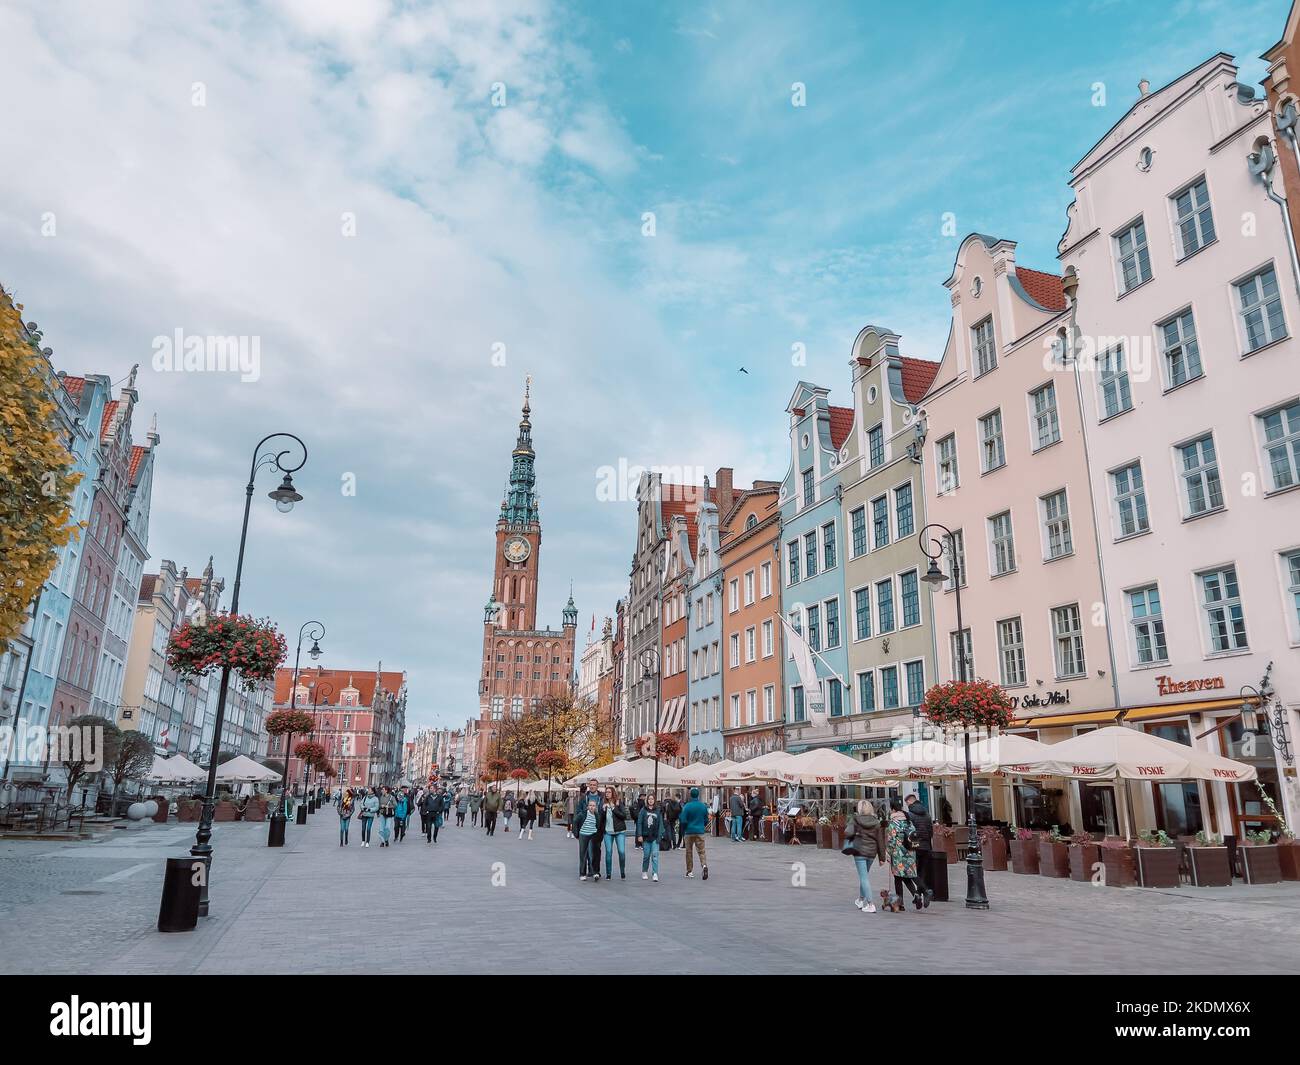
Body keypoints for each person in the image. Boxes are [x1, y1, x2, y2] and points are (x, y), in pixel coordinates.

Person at [844, 799, 887, 912]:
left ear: (859, 809)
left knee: (864, 878)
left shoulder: (855, 820)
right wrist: (882, 857)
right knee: (865, 876)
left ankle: (870, 904)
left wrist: (855, 831)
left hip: (859, 851)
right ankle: (860, 899)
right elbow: (880, 841)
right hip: (871, 853)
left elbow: (847, 832)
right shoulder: (876, 822)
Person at [885, 797, 924, 911]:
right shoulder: (908, 819)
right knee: (908, 876)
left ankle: (900, 904)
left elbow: (891, 840)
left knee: (898, 878)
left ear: (892, 809)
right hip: (911, 852)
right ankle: (916, 894)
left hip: (898, 853)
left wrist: (889, 853)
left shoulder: (893, 822)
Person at [904, 793, 935, 906]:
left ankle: (926, 891)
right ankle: (918, 895)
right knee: (921, 872)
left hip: (915, 847)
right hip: (926, 846)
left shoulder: (910, 814)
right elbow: (931, 831)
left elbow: (909, 833)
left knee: (911, 872)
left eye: (906, 803)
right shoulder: (927, 814)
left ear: (909, 802)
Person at [680, 787, 709, 880]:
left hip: (689, 832)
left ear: (690, 795)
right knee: (701, 851)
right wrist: (702, 825)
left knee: (689, 852)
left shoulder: (687, 806)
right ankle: (704, 865)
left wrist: (684, 829)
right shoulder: (703, 806)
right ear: (698, 795)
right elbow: (706, 819)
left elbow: (683, 820)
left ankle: (689, 871)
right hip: (700, 831)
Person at [600, 785, 629, 880]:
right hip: (607, 832)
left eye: (609, 792)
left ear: (613, 793)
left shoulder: (618, 803)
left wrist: (613, 808)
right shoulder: (603, 803)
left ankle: (622, 871)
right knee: (608, 852)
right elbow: (601, 819)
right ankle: (608, 874)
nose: (607, 794)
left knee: (621, 852)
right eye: (606, 792)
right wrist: (603, 810)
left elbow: (624, 816)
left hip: (619, 831)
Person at [636, 792, 665, 881]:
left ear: (654, 800)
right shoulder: (643, 810)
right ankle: (644, 871)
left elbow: (661, 824)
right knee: (646, 855)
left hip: (655, 836)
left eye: (652, 799)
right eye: (649, 799)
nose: (650, 801)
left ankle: (655, 873)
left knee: (655, 855)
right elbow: (639, 822)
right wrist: (639, 835)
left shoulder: (658, 810)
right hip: (645, 836)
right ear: (647, 800)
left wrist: (660, 835)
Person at [577, 794, 603, 880]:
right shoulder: (583, 814)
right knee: (583, 854)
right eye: (590, 805)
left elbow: (598, 825)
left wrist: (597, 834)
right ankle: (582, 874)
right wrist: (576, 833)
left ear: (596, 807)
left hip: (592, 835)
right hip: (583, 835)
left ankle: (594, 872)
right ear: (587, 806)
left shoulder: (597, 815)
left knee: (593, 854)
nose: (592, 807)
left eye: (593, 806)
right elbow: (575, 821)